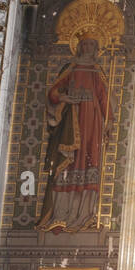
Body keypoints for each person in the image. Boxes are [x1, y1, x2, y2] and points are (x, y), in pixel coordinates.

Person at [37, 36, 111, 232]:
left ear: (96, 49)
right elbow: (53, 92)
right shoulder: (72, 68)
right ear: (79, 47)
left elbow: (104, 98)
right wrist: (64, 98)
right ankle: (61, 214)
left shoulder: (96, 70)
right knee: (69, 163)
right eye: (85, 43)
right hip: (73, 120)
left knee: (89, 162)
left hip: (92, 121)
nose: (88, 47)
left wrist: (109, 121)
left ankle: (84, 215)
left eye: (92, 44)